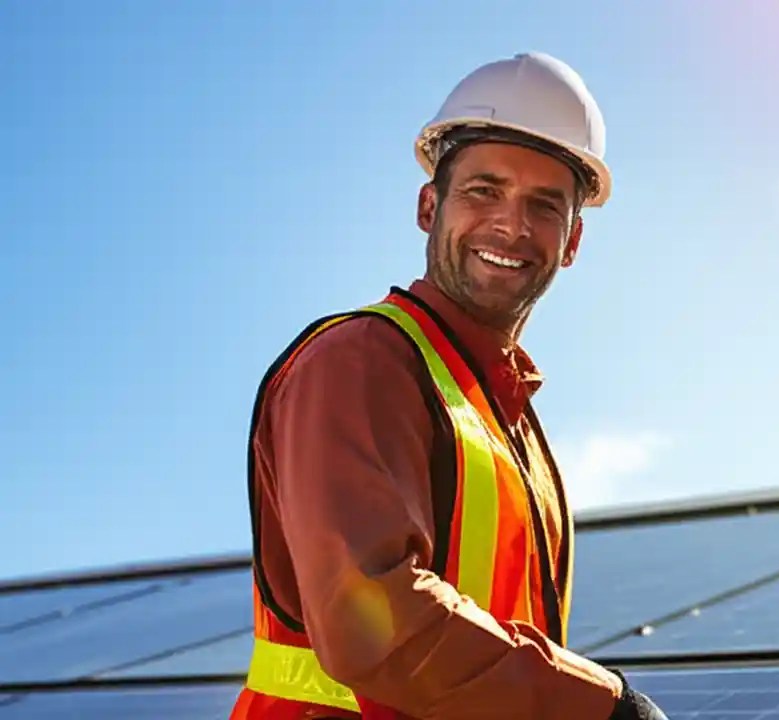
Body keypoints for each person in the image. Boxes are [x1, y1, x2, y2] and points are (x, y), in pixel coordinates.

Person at [228, 52, 668, 720]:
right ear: (429, 205)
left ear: (572, 240)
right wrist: (602, 707)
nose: (511, 226)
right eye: (483, 191)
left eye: (543, 206)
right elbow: (371, 619)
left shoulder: (508, 420)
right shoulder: (360, 361)